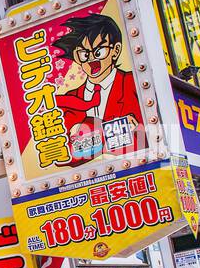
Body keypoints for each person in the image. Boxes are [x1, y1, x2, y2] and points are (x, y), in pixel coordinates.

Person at [51, 13, 144, 160]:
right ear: (76, 57)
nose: (92, 60)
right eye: (84, 54)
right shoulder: (71, 98)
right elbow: (66, 152)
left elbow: (150, 135)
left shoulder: (132, 82)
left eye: (99, 52)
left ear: (116, 50)